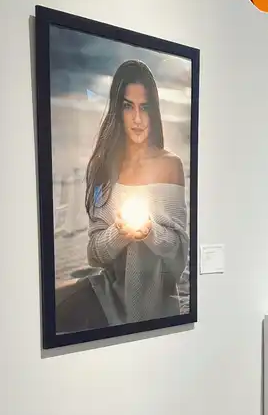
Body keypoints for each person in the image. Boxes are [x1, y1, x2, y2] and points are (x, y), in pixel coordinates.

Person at [56, 60, 188, 333]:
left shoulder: (170, 165)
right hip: (107, 297)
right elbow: (94, 254)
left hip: (156, 307)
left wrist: (149, 231)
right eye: (128, 106)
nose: (137, 118)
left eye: (144, 107)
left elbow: (179, 254)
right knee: (48, 306)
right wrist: (120, 232)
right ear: (117, 110)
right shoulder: (102, 169)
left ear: (154, 111)